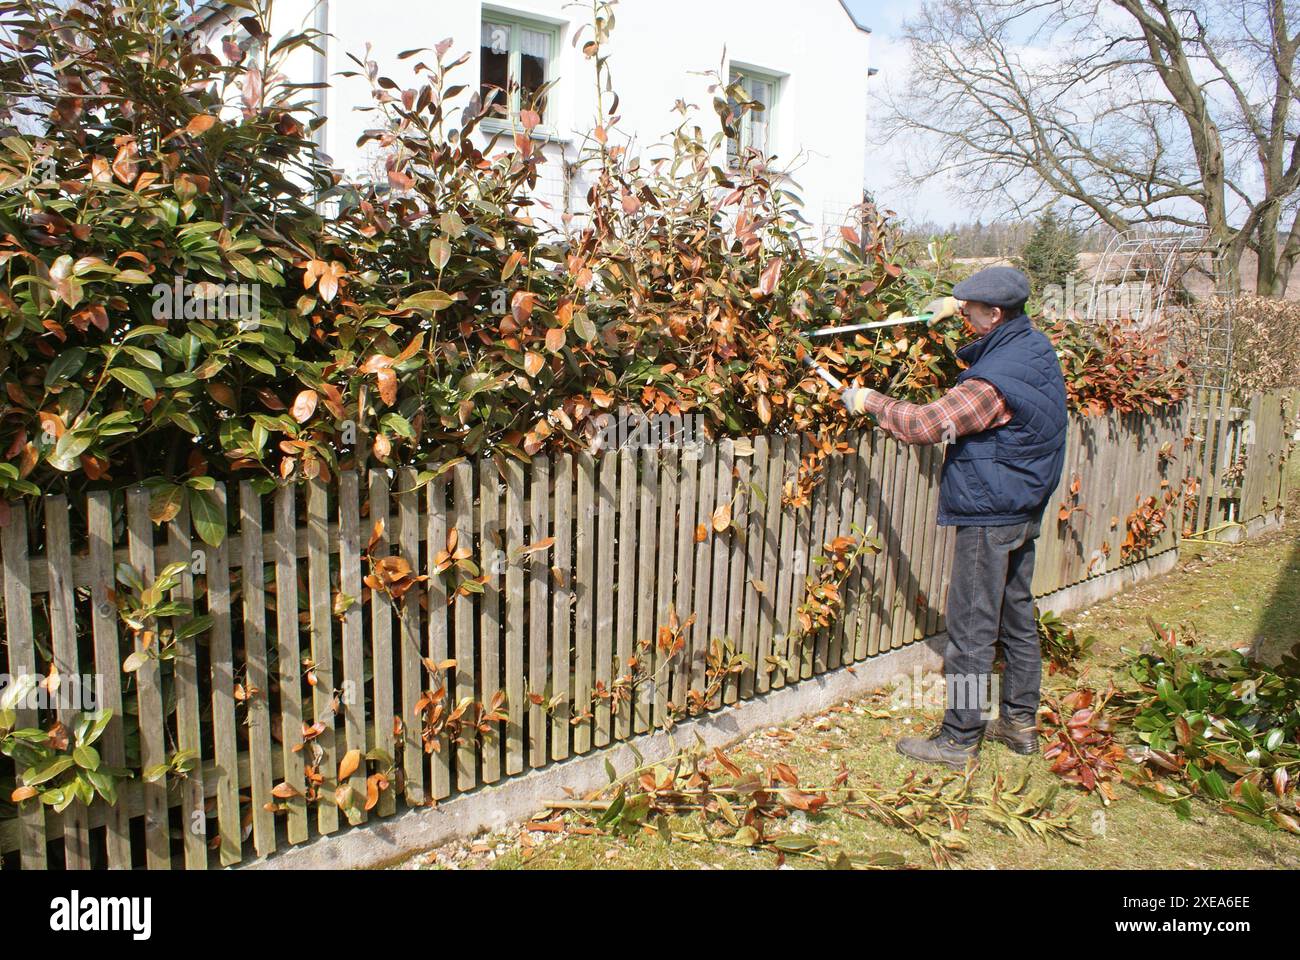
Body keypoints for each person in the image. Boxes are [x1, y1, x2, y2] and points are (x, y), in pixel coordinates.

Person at [841, 266, 1068, 768]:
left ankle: (960, 738)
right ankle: (1020, 722)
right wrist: (952, 308)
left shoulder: (994, 382)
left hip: (992, 510)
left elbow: (928, 423)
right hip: (1024, 502)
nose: (964, 314)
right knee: (1016, 614)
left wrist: (868, 401)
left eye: (972, 310)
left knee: (971, 626)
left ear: (996, 313)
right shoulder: (1033, 346)